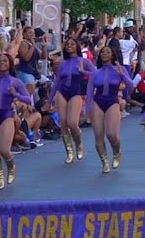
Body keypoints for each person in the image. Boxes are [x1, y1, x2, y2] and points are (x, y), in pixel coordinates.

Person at [86, 43, 130, 173]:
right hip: (97, 102)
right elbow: (89, 92)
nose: (105, 54)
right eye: (103, 52)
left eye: (107, 52)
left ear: (113, 55)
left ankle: (116, 151)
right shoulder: (95, 72)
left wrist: (123, 76)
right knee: (98, 135)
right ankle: (105, 161)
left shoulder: (119, 69)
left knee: (111, 134)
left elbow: (131, 85)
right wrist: (87, 110)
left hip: (112, 101)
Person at [0, 53, 31, 186]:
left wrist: (15, 94)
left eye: (5, 61)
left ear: (10, 64)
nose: (2, 63)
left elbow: (28, 99)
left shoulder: (15, 81)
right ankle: (0, 178)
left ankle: (11, 168)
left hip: (6, 115)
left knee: (4, 150)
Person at [54, 37, 95, 164]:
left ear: (77, 46)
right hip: (61, 92)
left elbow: (97, 73)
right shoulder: (63, 63)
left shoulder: (83, 61)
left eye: (72, 44)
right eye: (67, 44)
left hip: (75, 93)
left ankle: (79, 144)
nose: (69, 46)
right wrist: (49, 101)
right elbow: (57, 82)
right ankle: (69, 151)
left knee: (72, 122)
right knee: (63, 123)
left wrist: (83, 71)